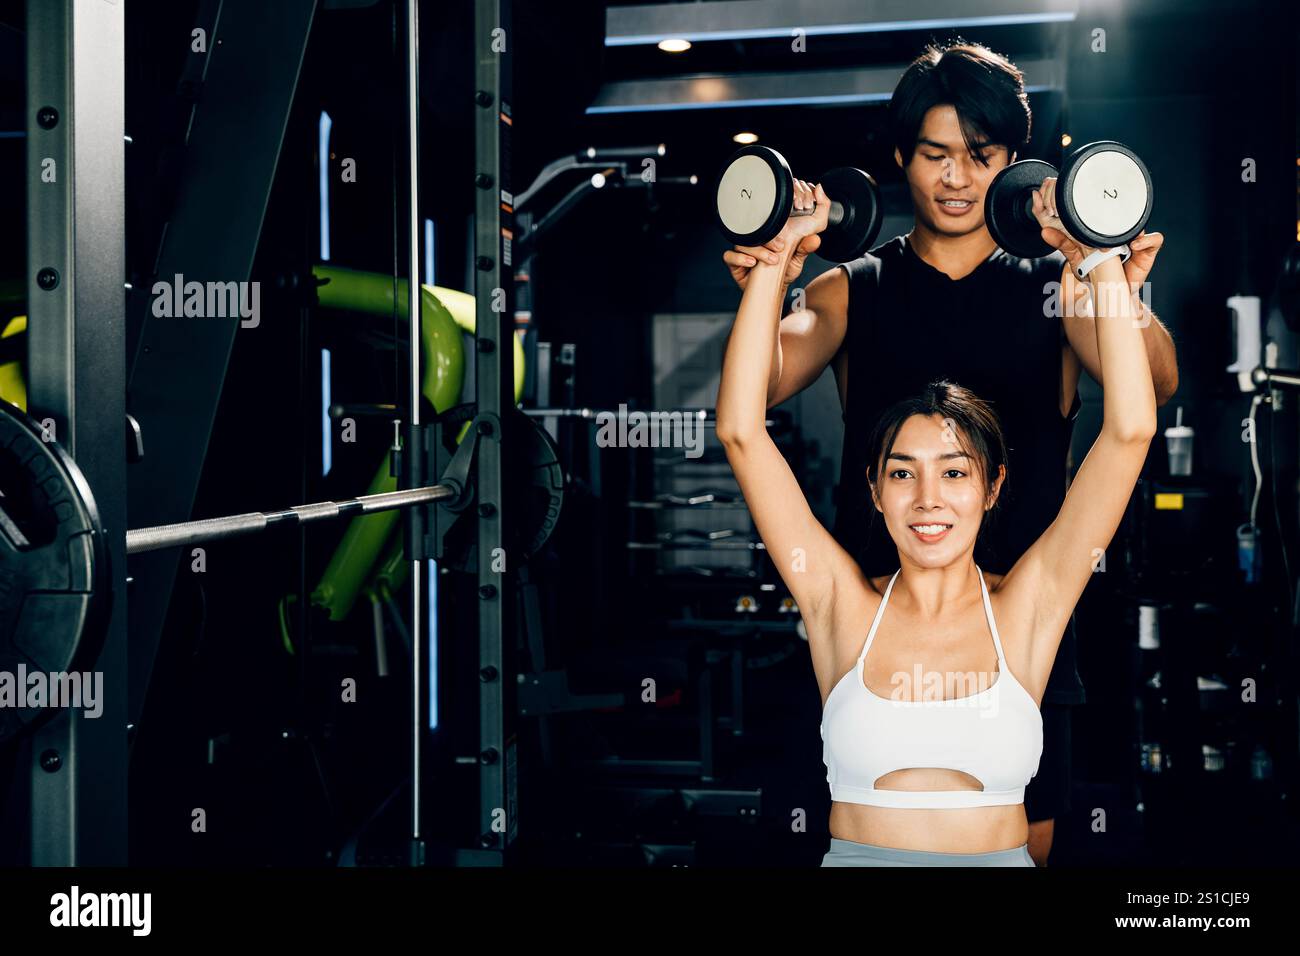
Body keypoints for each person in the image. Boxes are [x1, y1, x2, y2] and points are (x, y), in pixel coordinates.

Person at [720, 40, 1178, 864]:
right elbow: (749, 408)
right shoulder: (849, 287)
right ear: (902, 159)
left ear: (1012, 165)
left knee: (1013, 847)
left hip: (1024, 637)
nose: (958, 178)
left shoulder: (1057, 290)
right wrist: (772, 270)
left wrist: (1107, 271)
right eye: (936, 155)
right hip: (867, 633)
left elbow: (1150, 386)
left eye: (982, 156)